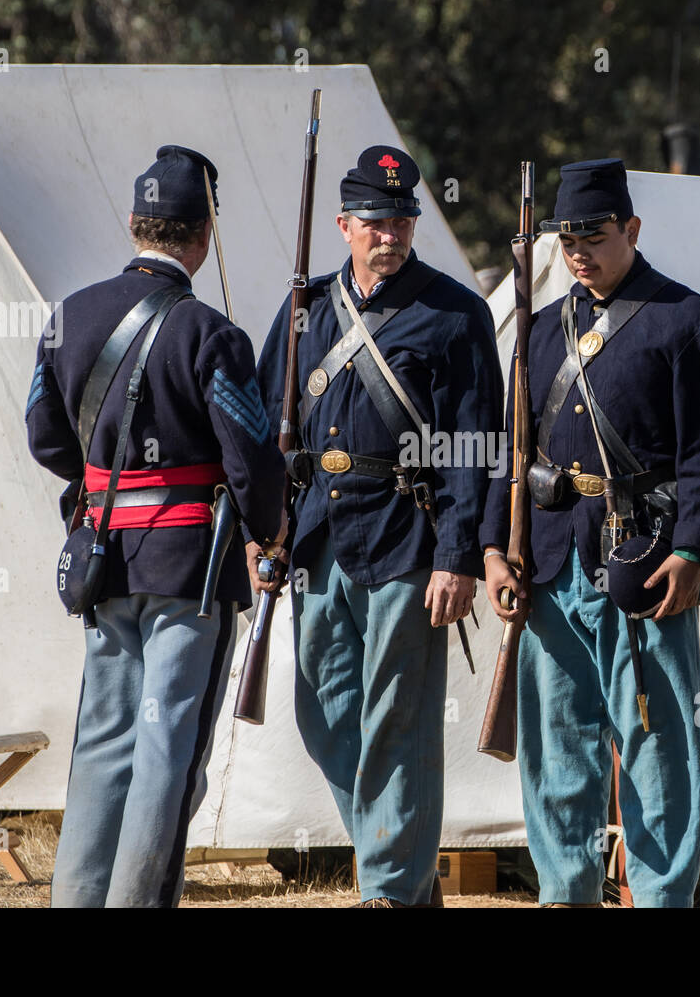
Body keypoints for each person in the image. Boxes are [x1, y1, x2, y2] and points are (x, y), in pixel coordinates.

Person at [26, 145, 284, 907]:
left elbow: (45, 435)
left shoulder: (67, 316)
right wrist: (268, 527)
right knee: (167, 743)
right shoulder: (212, 334)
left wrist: (105, 483)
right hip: (189, 568)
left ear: (133, 222)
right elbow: (250, 457)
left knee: (103, 741)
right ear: (202, 235)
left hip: (103, 561)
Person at [481, 159, 700, 906]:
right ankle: (567, 891)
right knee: (560, 749)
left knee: (656, 750)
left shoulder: (684, 321)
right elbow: (513, 451)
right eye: (568, 240)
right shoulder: (541, 328)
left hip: (642, 562)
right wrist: (497, 549)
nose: (580, 253)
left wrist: (692, 550)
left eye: (594, 236)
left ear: (631, 228)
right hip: (552, 562)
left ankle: (660, 896)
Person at [250, 145, 502, 907]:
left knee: (399, 718)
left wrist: (456, 554)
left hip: (408, 540)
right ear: (343, 226)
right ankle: (411, 876)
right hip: (320, 534)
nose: (389, 234)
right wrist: (266, 531)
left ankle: (388, 888)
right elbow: (269, 422)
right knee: (321, 711)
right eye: (375, 222)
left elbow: (474, 448)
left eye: (401, 220)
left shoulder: (457, 314)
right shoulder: (306, 308)